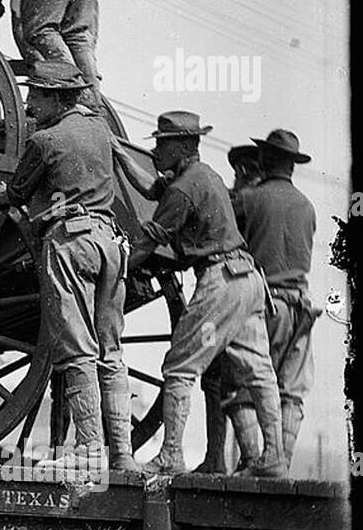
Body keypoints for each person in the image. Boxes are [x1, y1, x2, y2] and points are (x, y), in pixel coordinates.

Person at [115, 112, 286, 477]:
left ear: (182, 146)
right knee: (259, 371)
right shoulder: (205, 176)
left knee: (179, 366)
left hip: (219, 280)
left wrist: (117, 272)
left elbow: (147, 241)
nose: (156, 149)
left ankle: (171, 455)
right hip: (249, 281)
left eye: (162, 143)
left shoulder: (182, 190)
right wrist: (120, 155)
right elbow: (149, 187)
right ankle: (274, 458)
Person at [0, 60, 135, 471]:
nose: (29, 103)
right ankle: (121, 454)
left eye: (36, 95)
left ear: (55, 98)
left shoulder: (46, 140)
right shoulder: (100, 132)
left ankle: (88, 454)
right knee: (111, 350)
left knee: (76, 350)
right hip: (109, 243)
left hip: (70, 241)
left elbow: (16, 193)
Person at [233, 129, 320, 472]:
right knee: (292, 389)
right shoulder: (307, 206)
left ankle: (254, 459)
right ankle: (280, 464)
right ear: (293, 165)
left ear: (266, 160)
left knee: (240, 384)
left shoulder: (250, 199)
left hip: (264, 305)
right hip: (302, 308)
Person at [196, 143, 265, 474]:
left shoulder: (242, 203)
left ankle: (221, 458)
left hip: (231, 298)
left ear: (242, 172)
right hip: (259, 299)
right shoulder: (266, 202)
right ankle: (245, 459)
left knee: (218, 377)